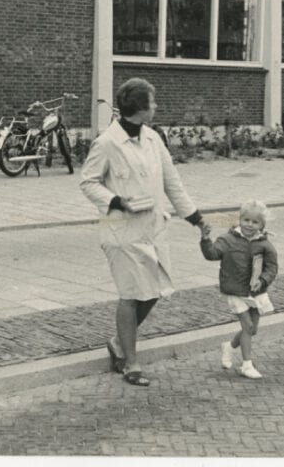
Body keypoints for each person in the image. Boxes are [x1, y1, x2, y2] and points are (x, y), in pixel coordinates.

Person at [80, 77, 205, 387]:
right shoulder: (107, 143)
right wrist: (117, 201)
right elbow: (88, 182)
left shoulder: (153, 138)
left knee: (155, 290)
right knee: (131, 294)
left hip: (153, 228)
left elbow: (172, 181)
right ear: (139, 107)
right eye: (152, 102)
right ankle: (130, 362)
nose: (156, 106)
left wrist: (195, 218)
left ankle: (118, 343)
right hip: (121, 231)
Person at [200, 200, 278, 379]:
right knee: (247, 326)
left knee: (252, 329)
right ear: (240, 220)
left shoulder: (265, 245)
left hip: (255, 292)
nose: (249, 225)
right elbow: (212, 254)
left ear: (262, 225)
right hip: (235, 290)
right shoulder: (227, 240)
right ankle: (246, 365)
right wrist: (205, 239)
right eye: (246, 220)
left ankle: (229, 346)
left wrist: (263, 281)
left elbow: (272, 267)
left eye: (255, 222)